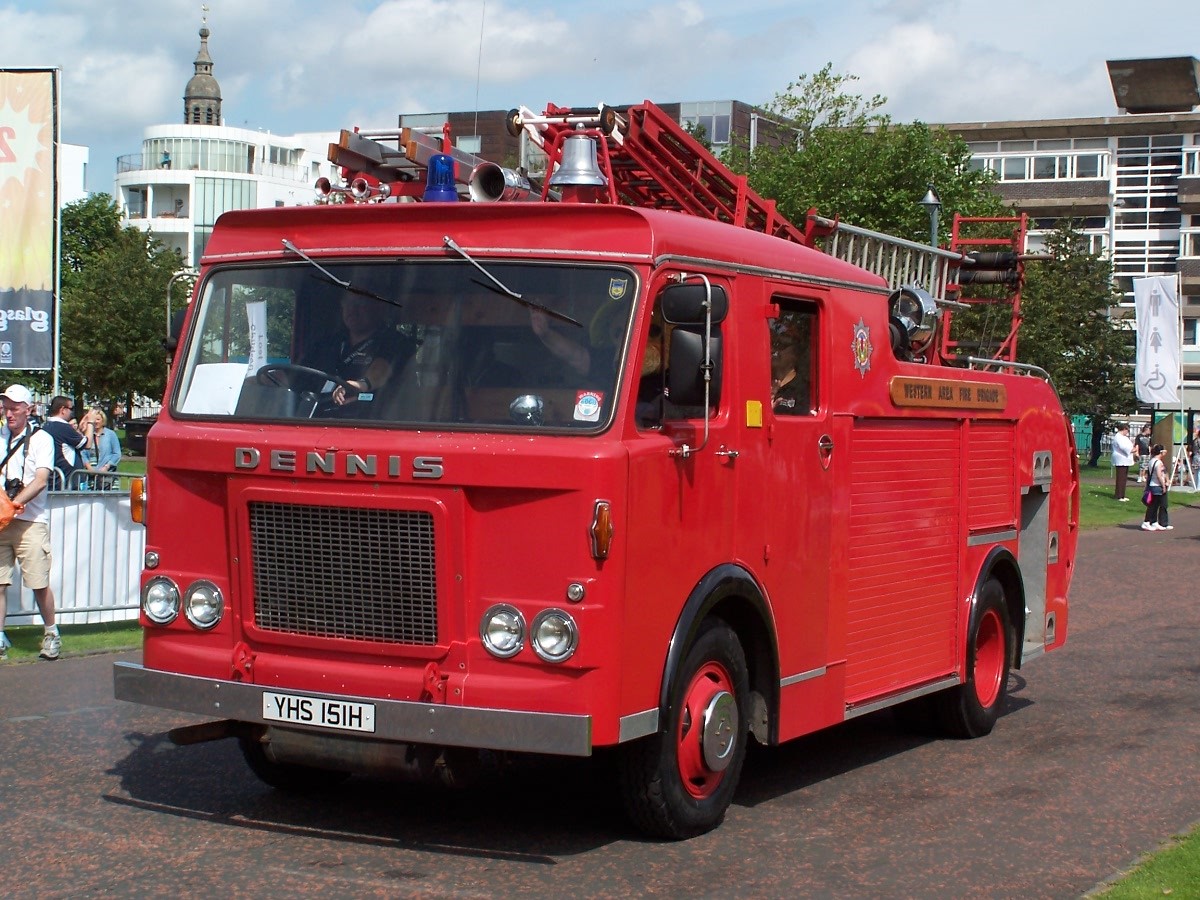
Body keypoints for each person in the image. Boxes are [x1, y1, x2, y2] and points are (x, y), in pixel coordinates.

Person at [0, 384, 62, 661]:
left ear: (29, 409)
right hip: (3, 521)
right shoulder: (0, 435)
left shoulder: (41, 439)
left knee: (38, 583)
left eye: (14, 407)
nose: (8, 412)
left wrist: (11, 506)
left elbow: (40, 479)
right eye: (5, 406)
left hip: (31, 521)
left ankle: (51, 633)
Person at [326, 295, 409, 408]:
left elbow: (381, 369)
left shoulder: (394, 341)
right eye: (347, 302)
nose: (352, 309)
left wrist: (360, 385)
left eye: (360, 302)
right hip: (314, 417)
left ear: (379, 307)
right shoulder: (330, 342)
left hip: (373, 418)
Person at [41, 395, 87, 490]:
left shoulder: (46, 426)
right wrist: (90, 422)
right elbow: (87, 444)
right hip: (66, 482)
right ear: (62, 409)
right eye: (71, 408)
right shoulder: (62, 427)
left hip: (53, 480)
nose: (72, 412)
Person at [80, 409, 122, 489]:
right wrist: (88, 467)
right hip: (91, 476)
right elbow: (82, 453)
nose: (96, 422)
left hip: (108, 476)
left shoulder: (110, 434)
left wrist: (107, 466)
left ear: (103, 420)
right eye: (94, 419)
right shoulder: (88, 435)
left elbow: (117, 453)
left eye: (98, 419)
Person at [1141, 444, 1173, 532]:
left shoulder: (1152, 461)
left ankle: (1154, 522)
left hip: (1153, 485)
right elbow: (1159, 475)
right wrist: (1163, 485)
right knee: (1154, 505)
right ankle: (1147, 522)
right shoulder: (1158, 462)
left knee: (1156, 505)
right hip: (1157, 485)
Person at [1110, 423, 1135, 501]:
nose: (1127, 432)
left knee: (1124, 477)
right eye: (1127, 430)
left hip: (1125, 459)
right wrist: (1132, 450)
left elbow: (1130, 445)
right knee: (1121, 478)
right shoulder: (1118, 437)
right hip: (1120, 459)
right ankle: (1119, 495)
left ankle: (1122, 495)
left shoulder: (1124, 437)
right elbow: (1124, 447)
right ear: (1124, 429)